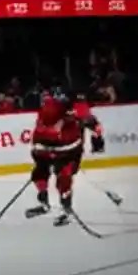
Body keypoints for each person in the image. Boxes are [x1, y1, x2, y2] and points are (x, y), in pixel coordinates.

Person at [24, 88, 104, 227]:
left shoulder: (75, 107)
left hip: (68, 151)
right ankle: (44, 201)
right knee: (40, 173)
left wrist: (97, 137)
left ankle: (66, 209)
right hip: (46, 149)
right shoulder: (49, 108)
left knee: (63, 177)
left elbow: (91, 122)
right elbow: (40, 133)